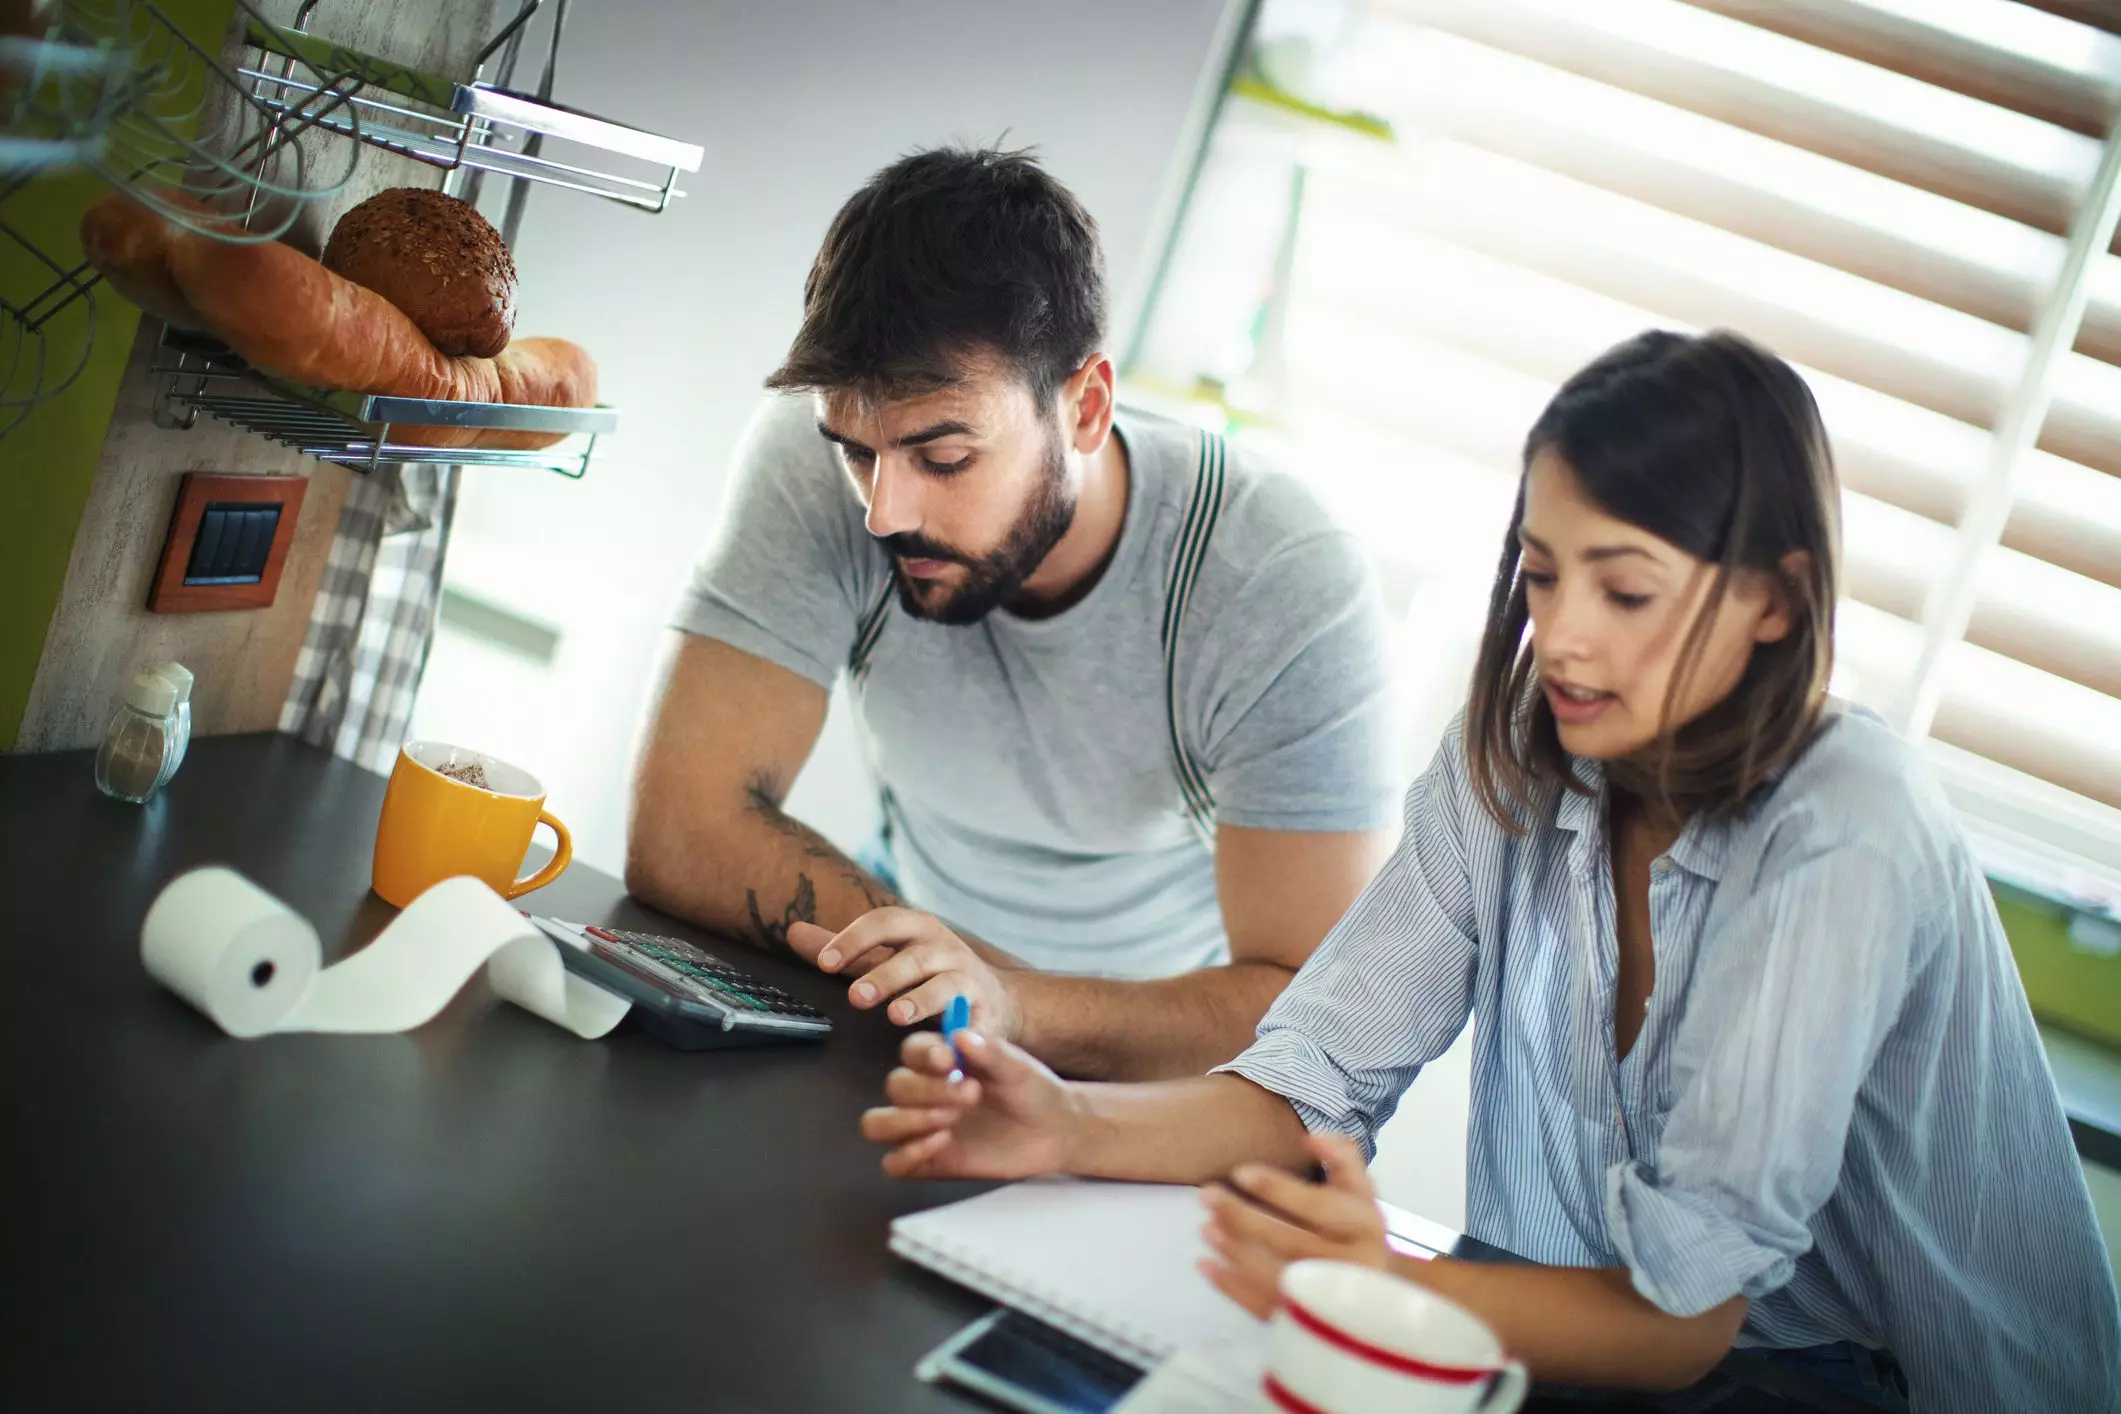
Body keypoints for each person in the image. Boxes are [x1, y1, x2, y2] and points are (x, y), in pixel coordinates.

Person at [857, 329, 2121, 1409]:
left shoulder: (1847, 824)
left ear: (1775, 603)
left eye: (1627, 592)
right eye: (1544, 573)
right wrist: (1066, 1120)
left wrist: (1383, 1281)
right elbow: (1313, 1078)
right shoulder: (1519, 760)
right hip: (1588, 1339)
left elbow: (1688, 1320)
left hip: (1862, 1379)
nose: (1563, 637)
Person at [627, 146, 1400, 1081]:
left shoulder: (1276, 578)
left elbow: (1307, 1010)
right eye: (857, 453)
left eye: (944, 459)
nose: (884, 512)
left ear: (1085, 407)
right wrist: (961, 990)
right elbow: (680, 828)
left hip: (1149, 1066)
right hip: (908, 1000)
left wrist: (1011, 1003)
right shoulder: (816, 459)